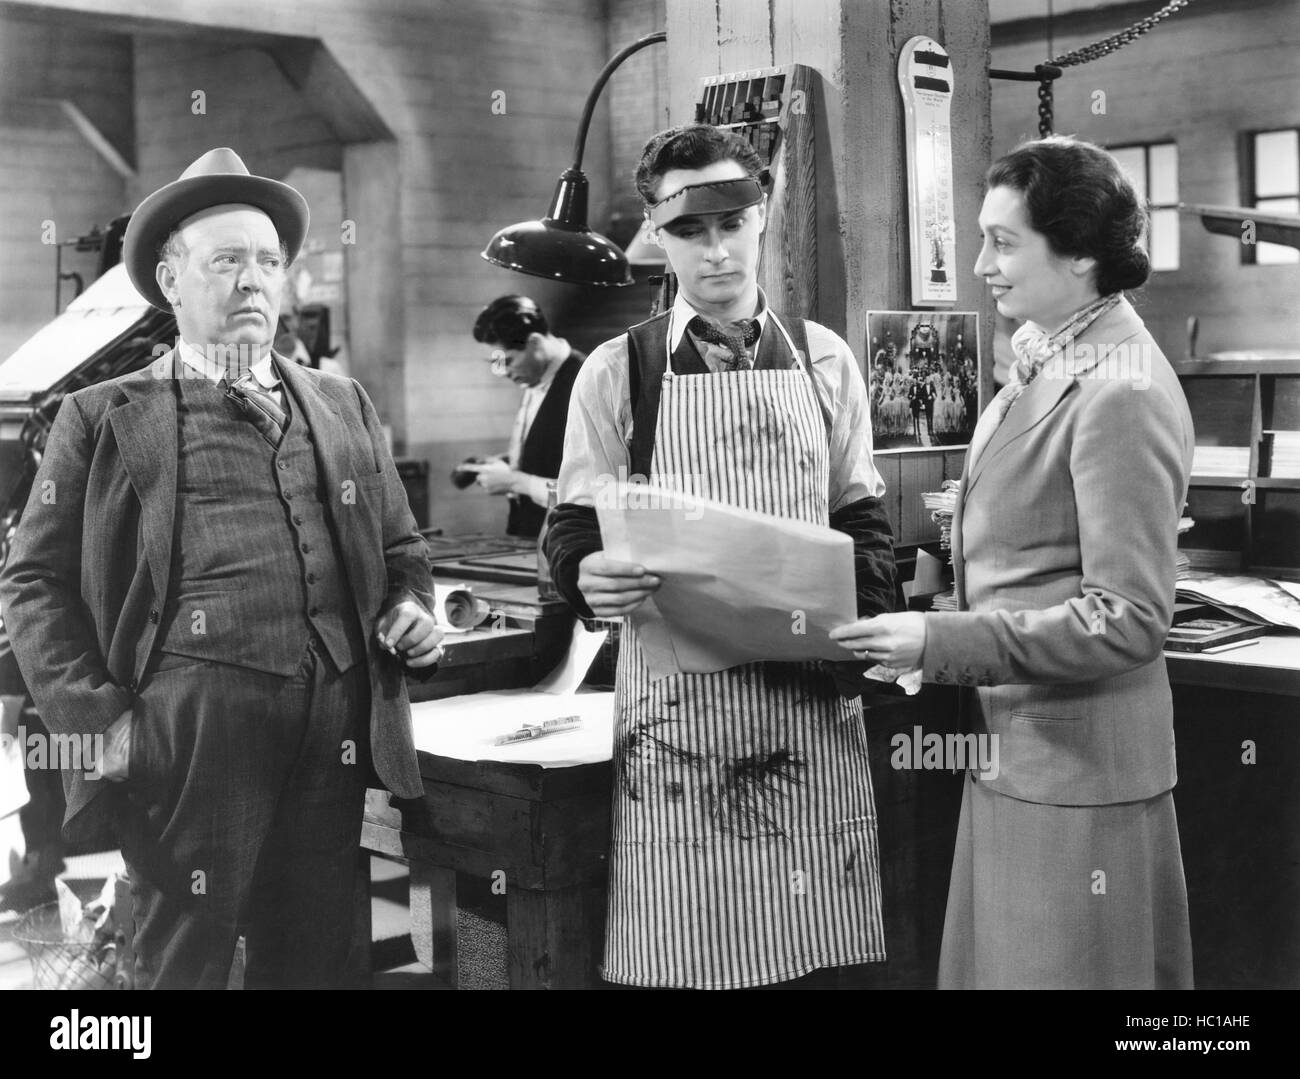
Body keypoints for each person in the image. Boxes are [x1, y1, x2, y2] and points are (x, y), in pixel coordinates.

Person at [0, 147, 443, 989]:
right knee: (179, 964)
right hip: (187, 739)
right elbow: (32, 583)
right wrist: (103, 722)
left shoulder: (343, 403)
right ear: (171, 281)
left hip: (338, 728)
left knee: (318, 958)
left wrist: (416, 606)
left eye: (269, 261)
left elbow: (400, 551)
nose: (253, 282)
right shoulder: (98, 417)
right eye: (227, 261)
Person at [831, 136, 1196, 990]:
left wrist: (939, 639)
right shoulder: (1061, 351)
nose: (979, 263)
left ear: (1076, 253)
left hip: (1079, 778)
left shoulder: (1122, 391)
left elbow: (1128, 618)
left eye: (1003, 242)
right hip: (1019, 756)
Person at [544, 123, 898, 989]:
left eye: (732, 223)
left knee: (812, 951)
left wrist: (861, 626)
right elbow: (573, 527)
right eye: (689, 232)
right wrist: (585, 573)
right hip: (680, 723)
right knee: (690, 953)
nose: (716, 252)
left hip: (806, 711)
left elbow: (866, 520)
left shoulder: (827, 361)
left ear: (763, 212)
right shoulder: (615, 372)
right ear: (658, 236)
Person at [462, 296, 584, 538]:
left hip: (564, 542)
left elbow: (587, 489)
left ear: (535, 343)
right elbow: (553, 449)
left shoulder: (584, 381)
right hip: (528, 535)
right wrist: (511, 461)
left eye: (507, 361)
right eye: (494, 363)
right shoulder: (534, 378)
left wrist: (515, 481)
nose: (502, 373)